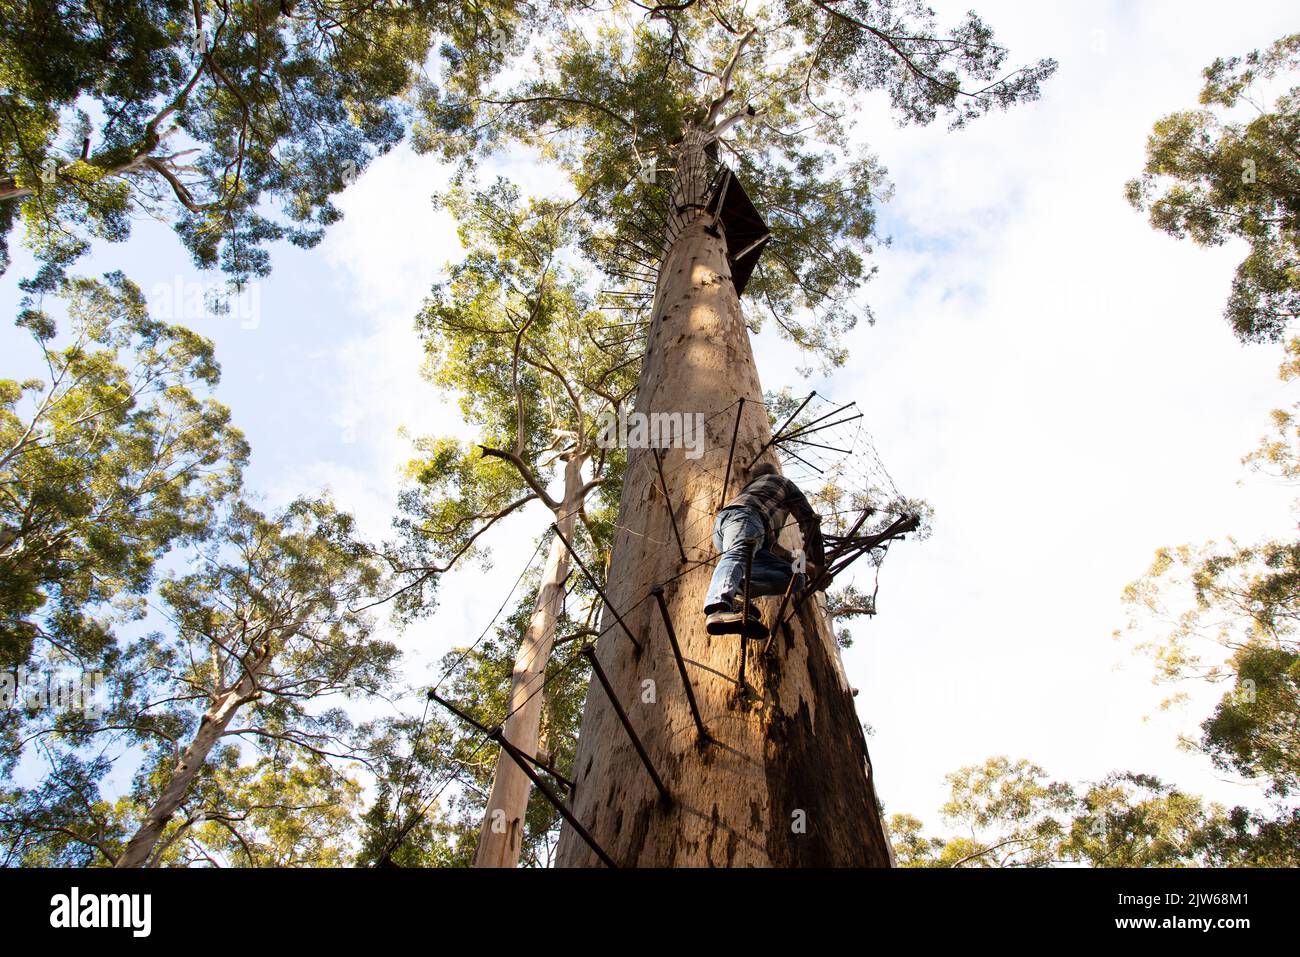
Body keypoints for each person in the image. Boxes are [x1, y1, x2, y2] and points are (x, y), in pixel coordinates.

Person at [703, 462, 825, 636]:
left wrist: (807, 567)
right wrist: (819, 564)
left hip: (736, 530)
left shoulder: (754, 494)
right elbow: (809, 520)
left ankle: (736, 591)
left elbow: (774, 549)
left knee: (796, 579)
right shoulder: (781, 482)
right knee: (739, 554)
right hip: (746, 518)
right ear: (773, 473)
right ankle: (718, 607)